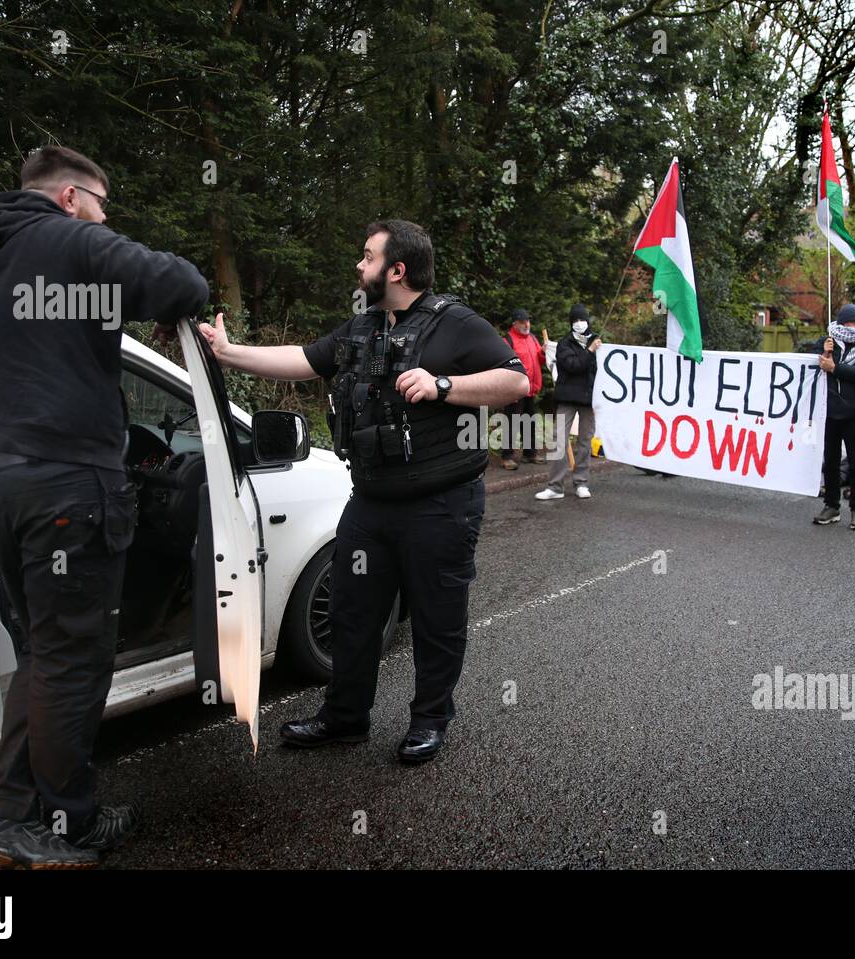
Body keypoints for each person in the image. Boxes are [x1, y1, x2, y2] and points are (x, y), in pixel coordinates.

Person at [0, 145, 209, 869]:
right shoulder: (77, 238)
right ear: (74, 197)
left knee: (43, 656)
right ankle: (60, 827)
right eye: (104, 204)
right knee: (76, 663)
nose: (108, 218)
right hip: (70, 486)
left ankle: (14, 816)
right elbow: (182, 284)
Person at [199, 219, 528, 764]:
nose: (359, 264)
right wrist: (230, 353)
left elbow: (515, 382)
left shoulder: (457, 325)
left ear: (397, 270)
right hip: (371, 503)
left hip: (441, 505)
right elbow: (303, 360)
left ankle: (429, 722)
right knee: (352, 613)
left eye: (368, 256)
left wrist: (443, 386)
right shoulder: (362, 327)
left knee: (435, 620)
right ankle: (344, 718)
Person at [811, 303, 855, 530]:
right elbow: (815, 365)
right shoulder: (828, 342)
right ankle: (831, 505)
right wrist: (824, 353)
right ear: (842, 323)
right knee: (830, 462)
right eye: (854, 322)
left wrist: (835, 368)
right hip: (830, 413)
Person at [536, 304, 600, 500]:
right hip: (567, 398)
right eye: (575, 321)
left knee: (585, 442)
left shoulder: (599, 343)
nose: (580, 324)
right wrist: (589, 351)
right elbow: (573, 366)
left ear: (588, 321)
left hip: (589, 400)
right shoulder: (565, 344)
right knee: (558, 439)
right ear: (571, 323)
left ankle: (581, 482)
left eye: (582, 320)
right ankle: (555, 486)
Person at [499, 308, 546, 469]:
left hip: (531, 389)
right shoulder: (508, 340)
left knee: (530, 422)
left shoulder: (532, 338)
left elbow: (538, 360)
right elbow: (503, 364)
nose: (526, 324)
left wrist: (544, 353)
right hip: (515, 389)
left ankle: (530, 453)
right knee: (511, 423)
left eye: (528, 320)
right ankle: (506, 456)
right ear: (515, 323)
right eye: (522, 321)